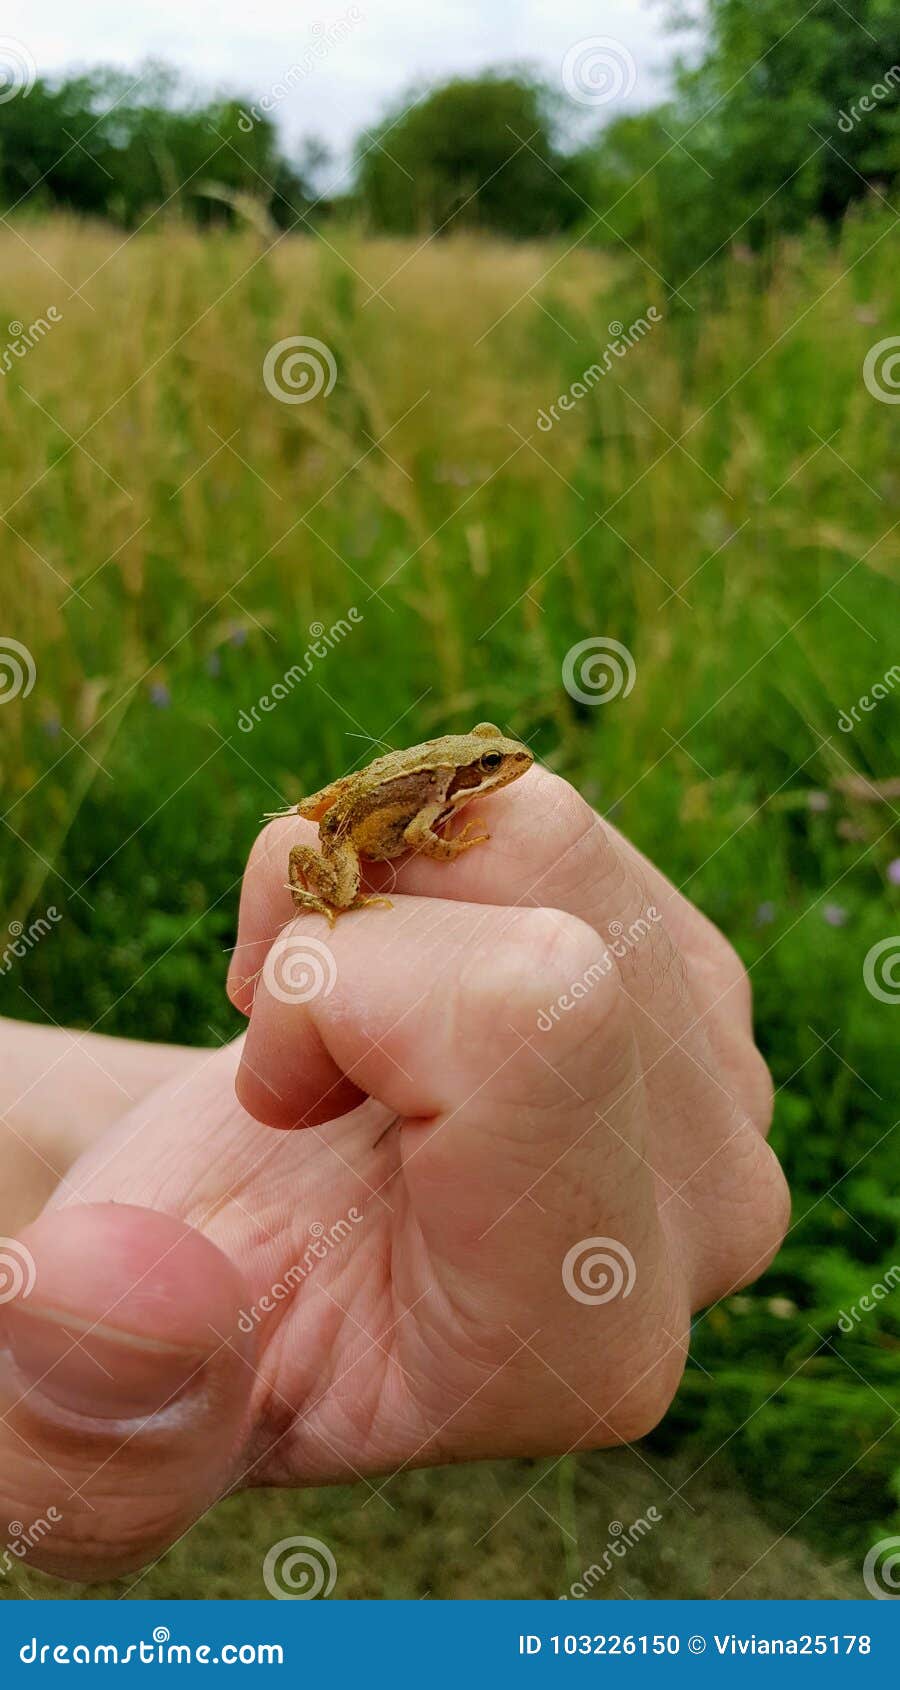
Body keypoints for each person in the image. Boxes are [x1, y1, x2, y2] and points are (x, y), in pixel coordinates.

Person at [0, 765, 788, 1582]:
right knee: (324, 872)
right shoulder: (436, 801)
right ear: (465, 774)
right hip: (354, 831)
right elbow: (414, 836)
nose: (503, 773)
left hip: (347, 824)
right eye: (487, 767)